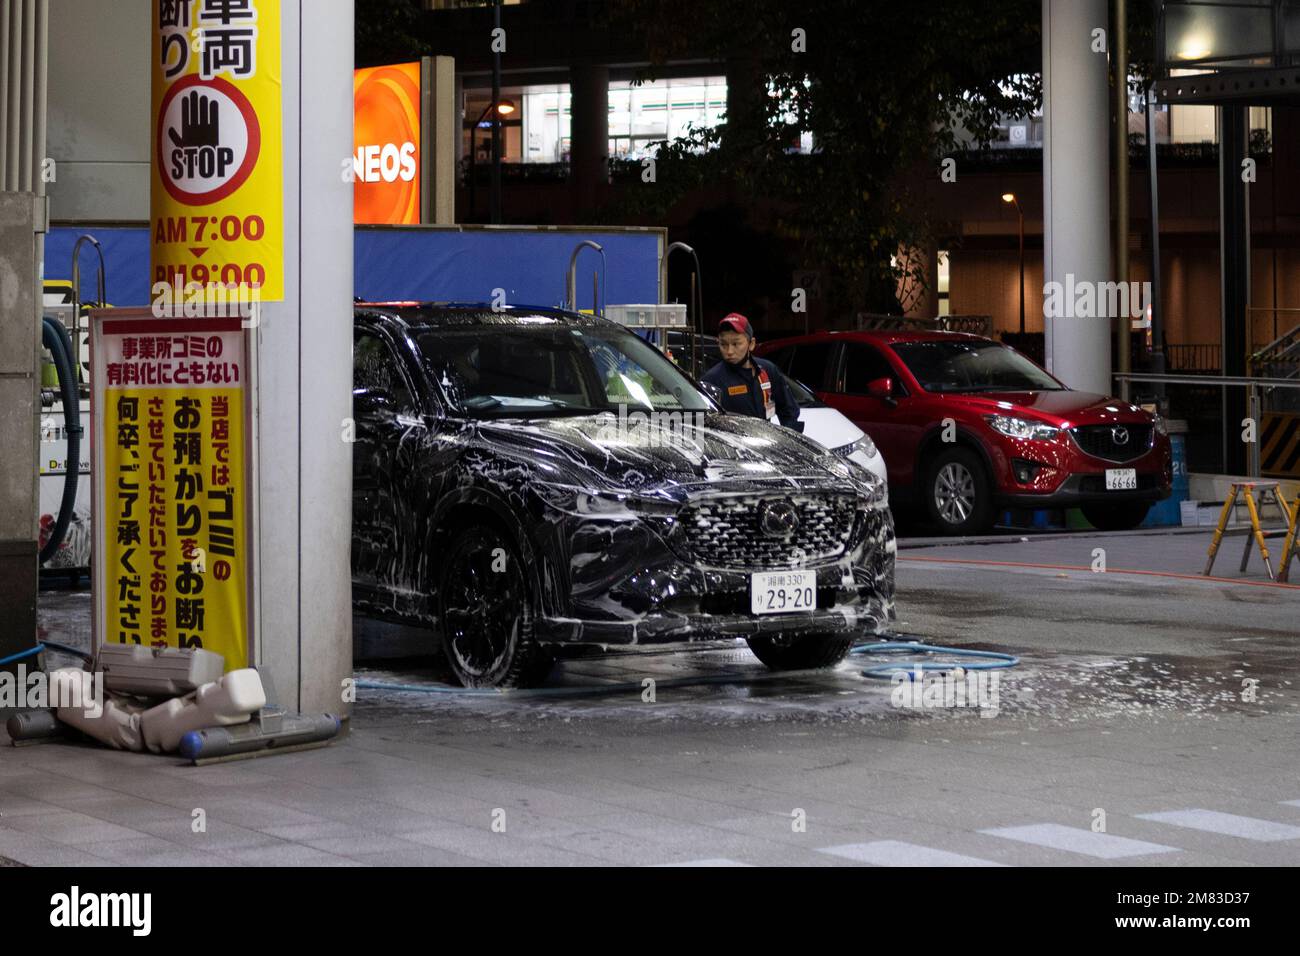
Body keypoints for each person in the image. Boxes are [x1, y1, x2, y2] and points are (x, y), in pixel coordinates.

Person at [701, 313, 801, 430]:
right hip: (733, 445)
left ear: (751, 344)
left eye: (736, 344)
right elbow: (704, 425)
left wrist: (788, 441)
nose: (729, 351)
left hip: (764, 443)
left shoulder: (767, 370)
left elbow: (789, 411)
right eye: (723, 344)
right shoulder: (712, 380)